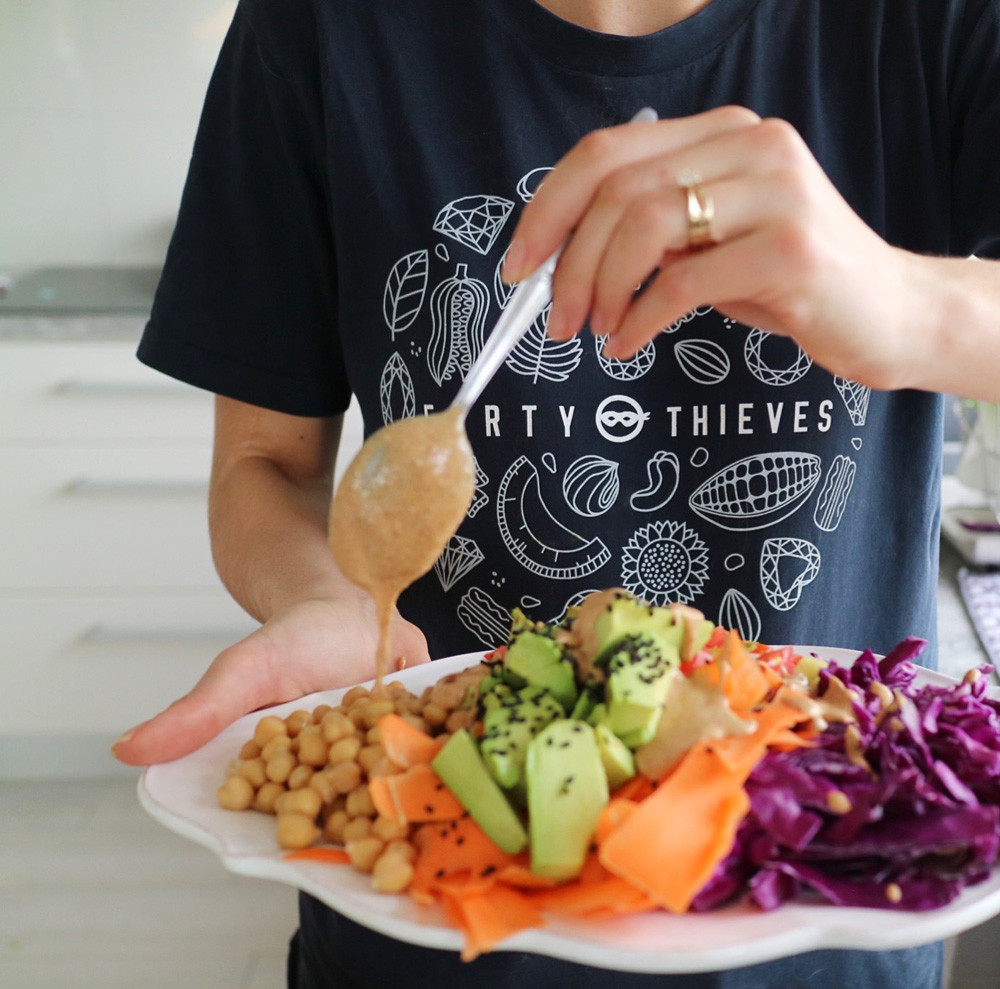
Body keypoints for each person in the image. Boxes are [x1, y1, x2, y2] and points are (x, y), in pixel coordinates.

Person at [113, 0, 1000, 985]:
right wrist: (325, 598)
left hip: (826, 923)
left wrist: (901, 300)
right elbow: (263, 464)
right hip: (426, 911)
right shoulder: (316, 26)